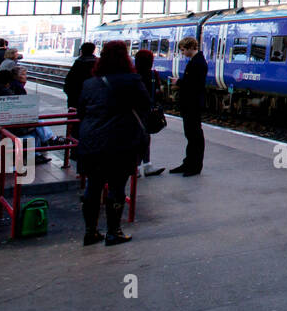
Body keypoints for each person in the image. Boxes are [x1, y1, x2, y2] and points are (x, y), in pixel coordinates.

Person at [75, 40, 150, 246]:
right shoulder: (132, 80)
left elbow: (81, 111)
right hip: (121, 142)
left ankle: (90, 232)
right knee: (117, 188)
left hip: (91, 142)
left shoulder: (90, 83)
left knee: (93, 187)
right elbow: (146, 105)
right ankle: (113, 232)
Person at [170, 36, 206, 176]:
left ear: (191, 47)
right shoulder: (194, 61)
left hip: (193, 104)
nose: (182, 53)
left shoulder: (198, 63)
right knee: (190, 135)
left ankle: (194, 166)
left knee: (194, 135)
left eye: (183, 50)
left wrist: (178, 82)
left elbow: (194, 85)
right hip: (190, 104)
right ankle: (188, 163)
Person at [134, 49, 166, 177]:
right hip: (149, 111)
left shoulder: (132, 74)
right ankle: (146, 165)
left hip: (134, 112)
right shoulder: (153, 75)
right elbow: (159, 94)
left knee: (136, 139)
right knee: (145, 138)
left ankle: (136, 168)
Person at [64, 42, 98, 140]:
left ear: (81, 51)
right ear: (93, 50)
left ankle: (74, 152)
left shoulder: (78, 63)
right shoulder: (97, 64)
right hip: (93, 104)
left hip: (76, 104)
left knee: (76, 130)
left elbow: (68, 84)